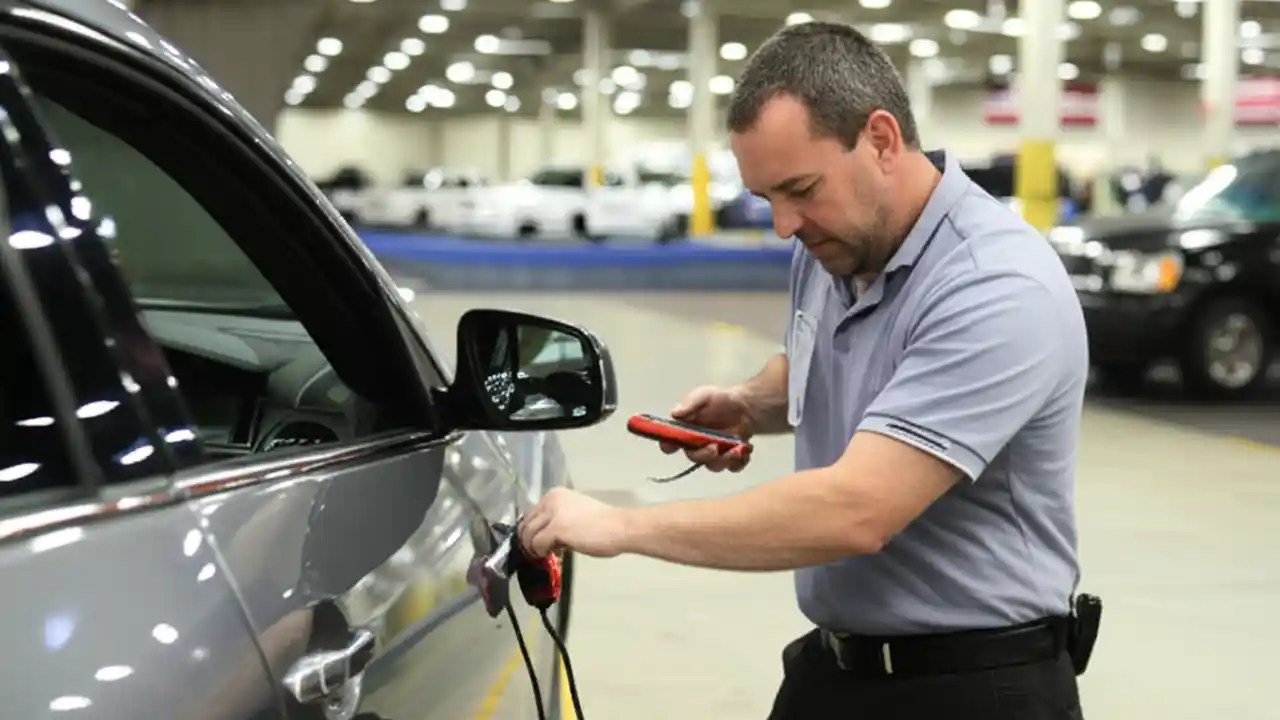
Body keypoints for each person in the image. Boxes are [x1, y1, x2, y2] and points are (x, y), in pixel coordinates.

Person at [518, 20, 1091, 720]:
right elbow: (821, 352)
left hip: (976, 687)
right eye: (767, 200)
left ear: (880, 140)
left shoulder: (996, 285)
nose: (784, 226)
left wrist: (623, 527)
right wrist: (750, 403)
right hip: (837, 668)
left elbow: (857, 510)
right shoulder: (833, 246)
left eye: (801, 189)